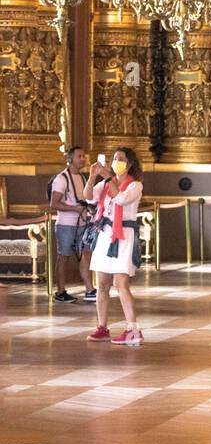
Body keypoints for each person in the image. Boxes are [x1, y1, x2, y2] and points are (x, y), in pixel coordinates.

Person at [83, 146, 145, 347]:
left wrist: (109, 177)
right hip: (105, 234)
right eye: (114, 158)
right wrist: (92, 177)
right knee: (102, 283)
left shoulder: (134, 185)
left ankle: (133, 329)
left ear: (130, 164)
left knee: (121, 283)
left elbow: (120, 199)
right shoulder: (105, 183)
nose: (116, 161)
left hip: (123, 235)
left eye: (120, 159)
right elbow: (88, 196)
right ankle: (102, 326)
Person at [49, 145, 95, 303]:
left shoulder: (83, 178)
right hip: (66, 225)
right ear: (70, 159)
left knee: (85, 255)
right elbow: (53, 204)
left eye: (84, 156)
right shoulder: (62, 178)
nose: (83, 159)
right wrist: (74, 208)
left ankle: (89, 289)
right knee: (64, 256)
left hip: (82, 224)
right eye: (79, 156)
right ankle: (60, 292)